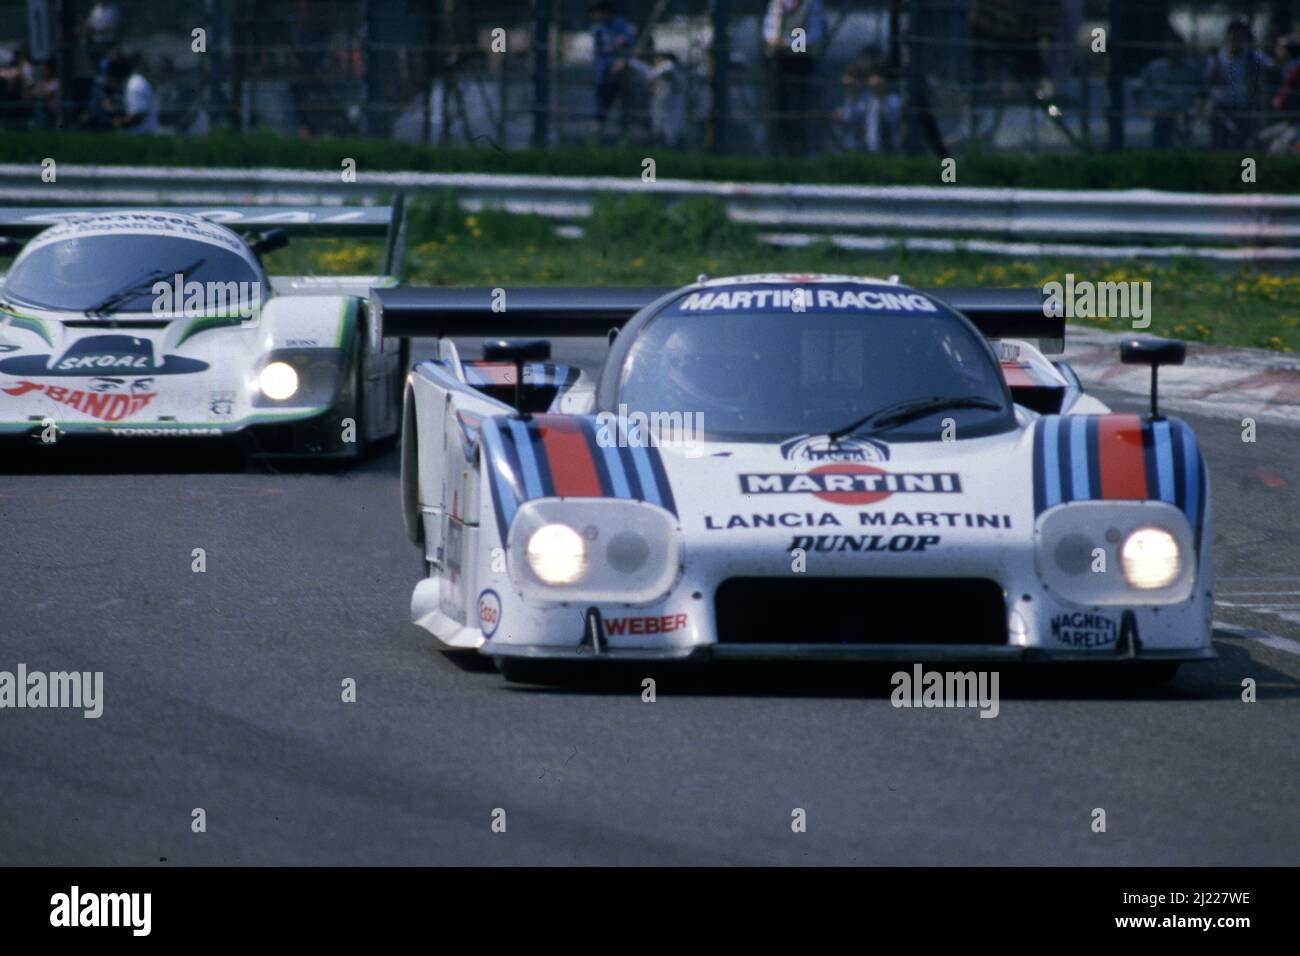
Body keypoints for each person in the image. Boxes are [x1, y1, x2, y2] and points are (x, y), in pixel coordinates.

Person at [763, 0, 826, 156]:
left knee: (799, 110)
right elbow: (768, 26)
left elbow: (815, 35)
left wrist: (788, 43)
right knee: (778, 108)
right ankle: (778, 151)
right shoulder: (777, 3)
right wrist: (772, 39)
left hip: (800, 64)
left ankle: (800, 151)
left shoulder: (811, 4)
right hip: (778, 63)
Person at [1206, 19, 1273, 149]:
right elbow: (1213, 82)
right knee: (1219, 143)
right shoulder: (1217, 57)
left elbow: (1272, 67)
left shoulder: (1253, 57)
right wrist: (1215, 63)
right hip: (1221, 107)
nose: (1235, 41)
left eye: (1239, 37)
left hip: (1243, 107)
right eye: (1232, 37)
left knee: (1242, 143)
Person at [1136, 32, 1201, 149]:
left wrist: (1198, 112)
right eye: (1171, 47)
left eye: (1177, 47)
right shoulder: (1155, 67)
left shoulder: (1192, 69)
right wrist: (1144, 109)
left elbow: (1204, 93)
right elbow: (1137, 89)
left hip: (1184, 117)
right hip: (1161, 117)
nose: (1174, 50)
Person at [590, 1, 636, 133]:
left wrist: (622, 57)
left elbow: (629, 42)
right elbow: (598, 52)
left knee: (624, 97)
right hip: (603, 71)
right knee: (602, 94)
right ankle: (599, 122)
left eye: (598, 13)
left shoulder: (621, 25)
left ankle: (625, 127)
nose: (596, 16)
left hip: (620, 69)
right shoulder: (597, 28)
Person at [104, 53, 159, 134]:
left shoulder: (134, 86)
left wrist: (116, 124)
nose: (107, 81)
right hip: (139, 136)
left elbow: (138, 116)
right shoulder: (131, 83)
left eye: (109, 76)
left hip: (143, 136)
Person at [647, 51, 686, 147]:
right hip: (665, 104)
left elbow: (654, 74)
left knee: (670, 127)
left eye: (659, 59)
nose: (656, 62)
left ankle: (670, 146)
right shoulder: (673, 71)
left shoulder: (669, 67)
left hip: (672, 105)